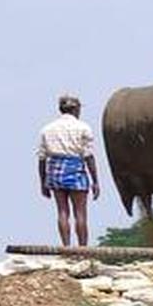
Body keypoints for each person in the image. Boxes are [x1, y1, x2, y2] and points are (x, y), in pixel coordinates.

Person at [37, 94, 100, 246]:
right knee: (80, 213)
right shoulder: (83, 127)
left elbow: (41, 159)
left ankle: (66, 247)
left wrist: (43, 182)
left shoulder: (47, 129)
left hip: (55, 169)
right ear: (76, 109)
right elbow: (88, 156)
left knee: (62, 212)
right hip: (75, 167)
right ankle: (83, 249)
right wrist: (95, 181)